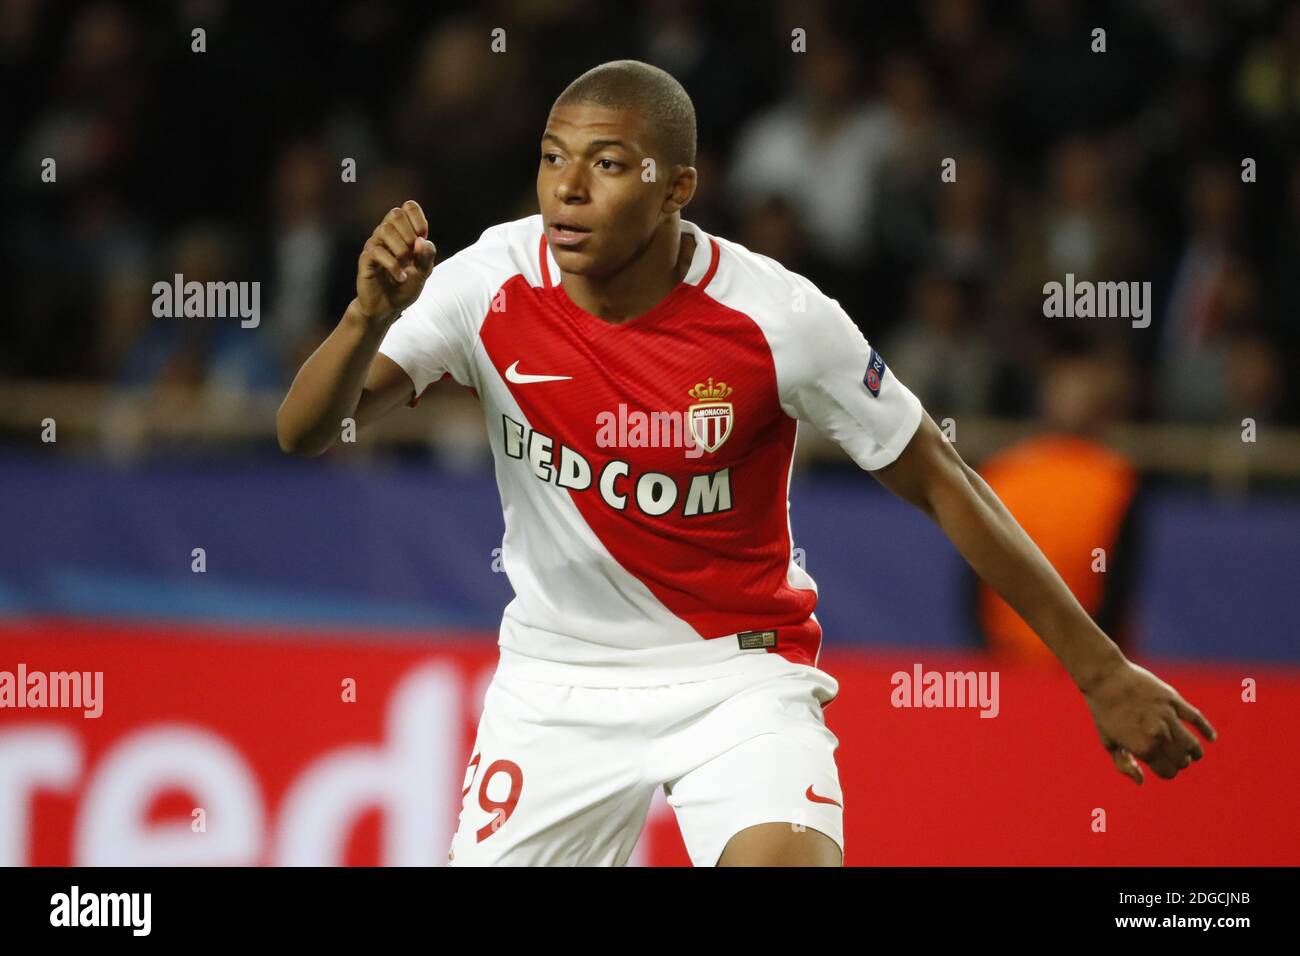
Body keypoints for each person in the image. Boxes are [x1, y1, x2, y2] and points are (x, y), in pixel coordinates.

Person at [276, 60, 1216, 867]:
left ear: (677, 188)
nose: (567, 188)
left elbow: (942, 478)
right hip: (553, 682)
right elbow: (305, 432)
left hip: (736, 674)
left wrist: (1098, 671)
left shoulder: (778, 318)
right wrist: (365, 319)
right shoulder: (491, 278)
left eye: (607, 165)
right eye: (553, 158)